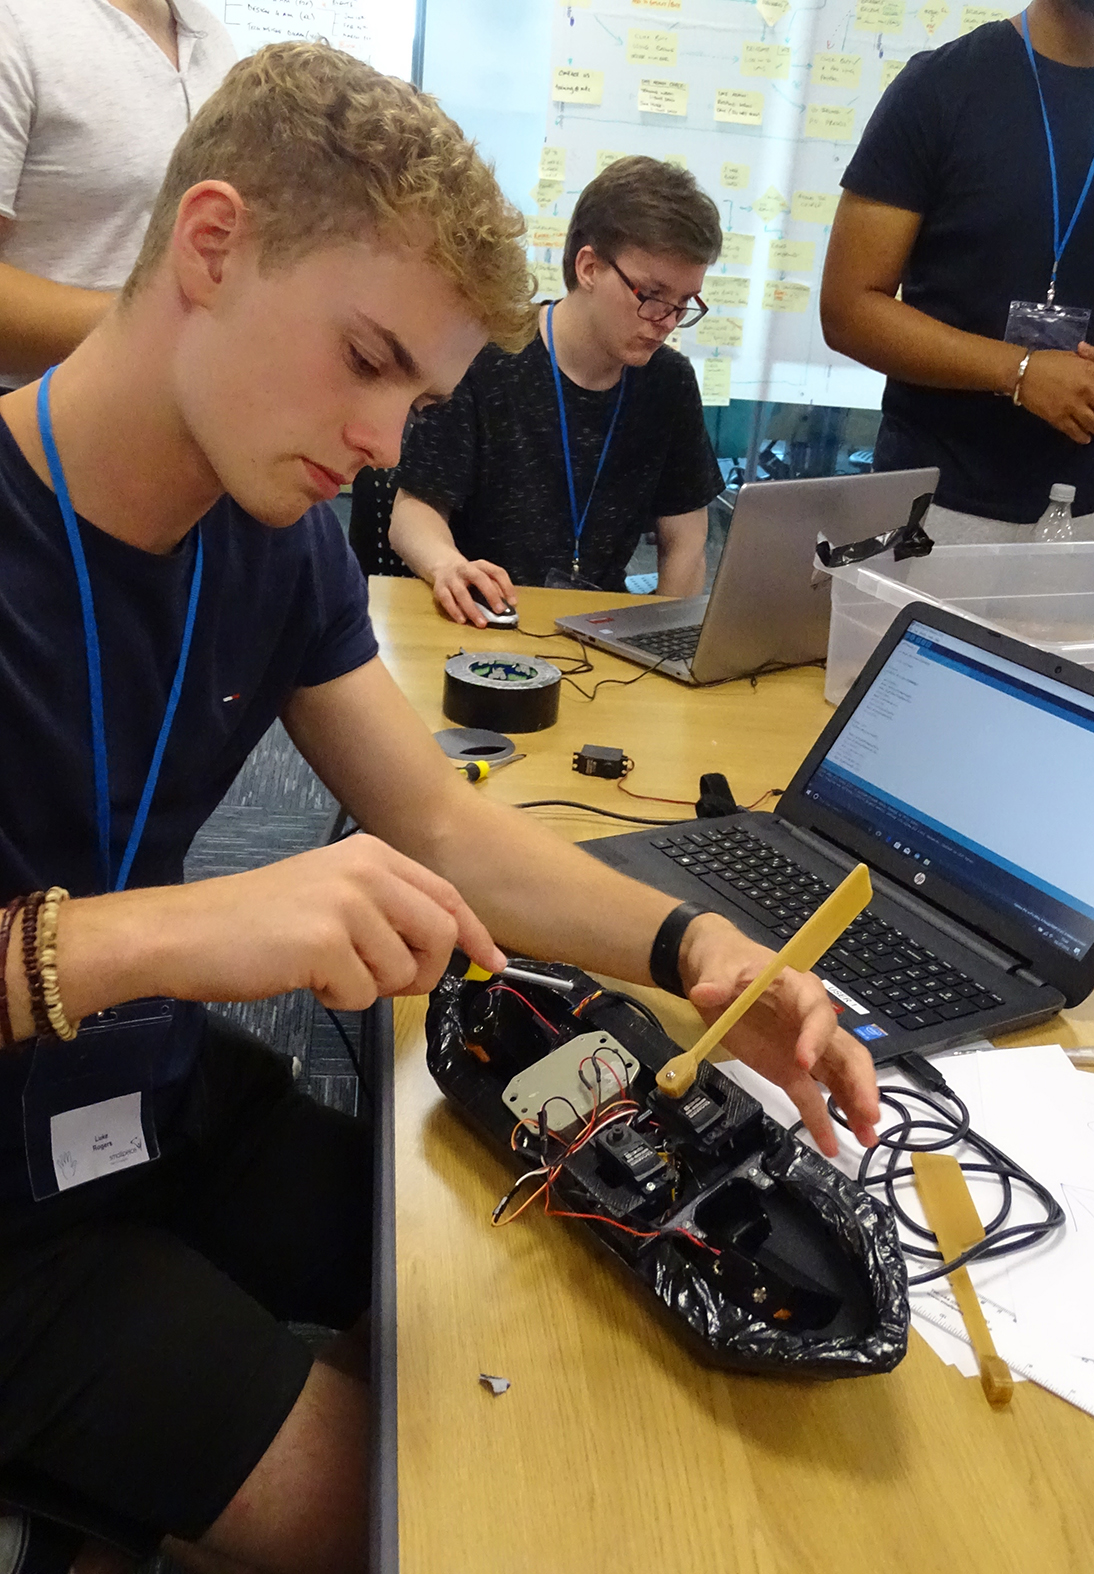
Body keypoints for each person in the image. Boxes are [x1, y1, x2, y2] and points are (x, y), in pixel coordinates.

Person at [0, 44, 880, 1574]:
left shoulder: (270, 529)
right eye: (364, 359)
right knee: (438, 1515)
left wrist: (697, 953)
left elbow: (449, 827)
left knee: (527, 1307)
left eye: (421, 396)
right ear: (209, 246)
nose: (385, 444)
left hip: (139, 1109)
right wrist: (154, 936)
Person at [820, 0, 1094, 541]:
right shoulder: (939, 86)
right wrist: (1020, 372)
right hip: (932, 506)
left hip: (1088, 513)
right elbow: (849, 308)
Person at [384, 155, 725, 626]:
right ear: (588, 267)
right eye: (652, 296)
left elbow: (686, 540)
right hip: (482, 619)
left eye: (684, 303)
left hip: (602, 632)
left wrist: (660, 645)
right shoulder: (489, 353)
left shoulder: (669, 382)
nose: (666, 322)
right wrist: (447, 564)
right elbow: (413, 510)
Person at [0, 0, 236, 388]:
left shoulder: (211, 37)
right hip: (34, 415)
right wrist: (160, 325)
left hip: (167, 406)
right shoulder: (16, 23)